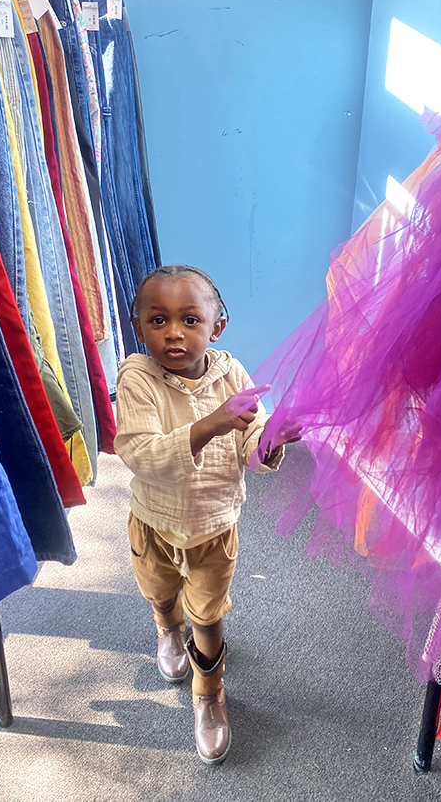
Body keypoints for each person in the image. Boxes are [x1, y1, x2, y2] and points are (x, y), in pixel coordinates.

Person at [114, 264, 299, 764]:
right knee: (160, 593)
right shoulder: (137, 376)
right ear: (139, 327)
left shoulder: (231, 374)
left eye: (190, 320)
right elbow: (140, 454)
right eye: (158, 320)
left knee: (209, 615)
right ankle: (166, 629)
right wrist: (212, 424)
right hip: (154, 522)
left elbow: (252, 445)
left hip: (214, 528)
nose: (174, 332)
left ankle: (209, 693)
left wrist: (271, 440)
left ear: (217, 327)